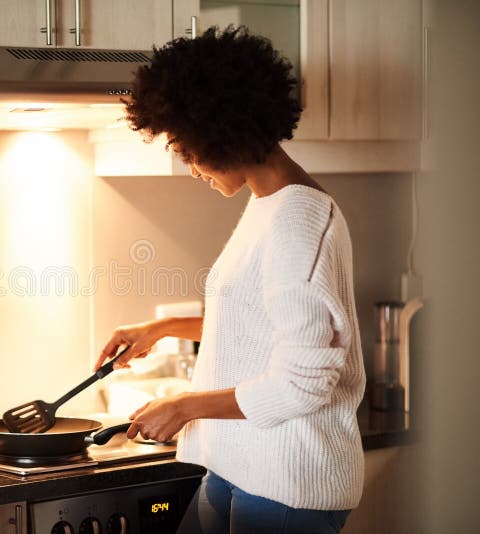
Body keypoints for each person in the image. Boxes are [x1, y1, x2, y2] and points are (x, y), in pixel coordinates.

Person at [95, 27, 365, 533]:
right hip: (235, 466)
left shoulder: (300, 222)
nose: (188, 166)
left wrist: (184, 406)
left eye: (183, 146)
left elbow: (301, 383)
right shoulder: (269, 205)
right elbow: (258, 323)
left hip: (288, 483)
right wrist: (163, 327)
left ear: (220, 129)